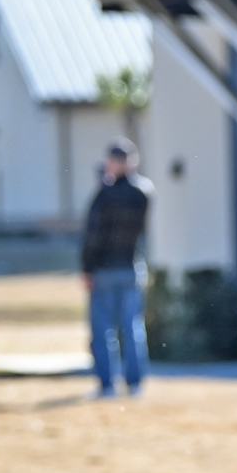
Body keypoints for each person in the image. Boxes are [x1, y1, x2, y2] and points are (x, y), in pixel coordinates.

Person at [81, 139, 154, 397]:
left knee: (103, 330)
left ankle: (107, 384)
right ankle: (135, 383)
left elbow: (93, 235)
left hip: (104, 270)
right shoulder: (143, 192)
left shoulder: (105, 195)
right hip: (131, 267)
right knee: (132, 327)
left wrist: (87, 268)